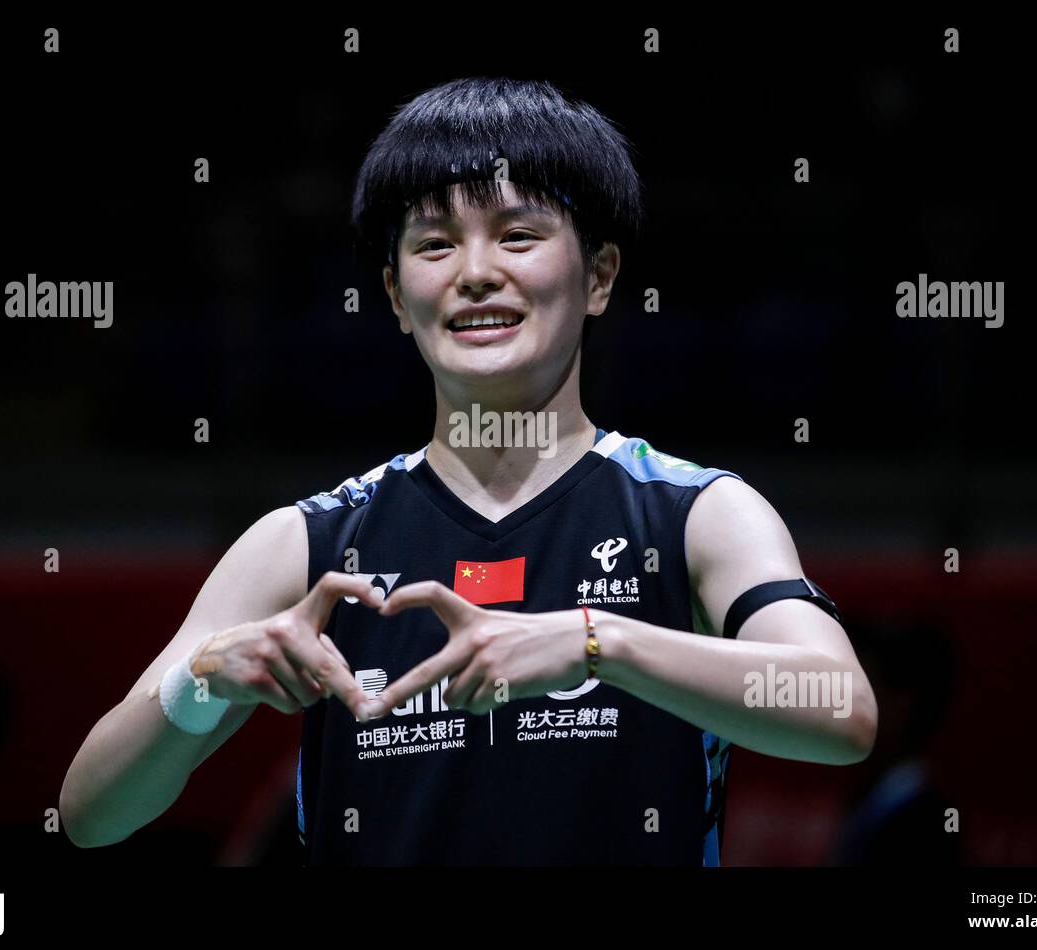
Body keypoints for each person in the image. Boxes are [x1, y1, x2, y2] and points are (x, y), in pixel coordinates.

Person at [61, 76, 878, 865]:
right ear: (393, 293)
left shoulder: (696, 513)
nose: (475, 271)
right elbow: (90, 817)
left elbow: (839, 710)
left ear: (598, 276)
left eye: (518, 236)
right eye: (434, 243)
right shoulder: (303, 544)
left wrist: (596, 643)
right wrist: (202, 685)